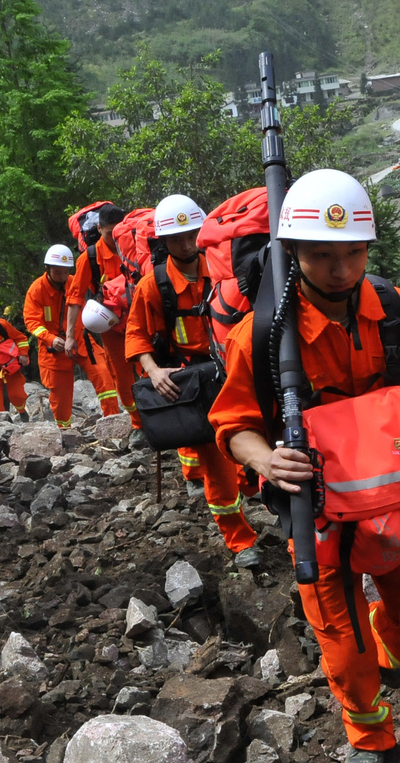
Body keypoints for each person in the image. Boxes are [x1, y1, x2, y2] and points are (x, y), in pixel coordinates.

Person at [209, 170, 400, 763]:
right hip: (320, 515)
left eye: (353, 252)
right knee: (340, 645)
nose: (340, 268)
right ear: (291, 253)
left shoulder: (398, 312)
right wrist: (265, 459)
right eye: (322, 256)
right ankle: (368, 735)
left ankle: (380, 656)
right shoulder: (262, 336)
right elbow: (232, 424)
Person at [125, 194, 261, 568]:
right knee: (215, 467)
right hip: (195, 382)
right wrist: (153, 371)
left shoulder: (224, 269)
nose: (185, 245)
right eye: (176, 239)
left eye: (191, 235)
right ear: (163, 242)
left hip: (234, 370)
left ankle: (257, 490)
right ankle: (239, 541)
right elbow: (135, 334)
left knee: (253, 449)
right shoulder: (155, 286)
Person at [24, 244, 123, 427]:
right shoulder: (36, 290)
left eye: (65, 272)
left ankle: (113, 422)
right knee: (60, 395)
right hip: (53, 349)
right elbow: (32, 321)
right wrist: (51, 339)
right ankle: (65, 431)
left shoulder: (73, 282)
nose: (62, 277)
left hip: (80, 340)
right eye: (57, 272)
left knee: (103, 374)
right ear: (48, 269)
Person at [65, 204, 141, 427]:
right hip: (111, 326)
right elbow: (75, 298)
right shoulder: (89, 257)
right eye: (110, 233)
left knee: (147, 368)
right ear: (99, 229)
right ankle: (138, 423)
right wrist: (70, 335)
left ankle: (158, 414)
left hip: (140, 320)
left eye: (120, 231)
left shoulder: (135, 247)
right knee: (122, 375)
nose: (116, 237)